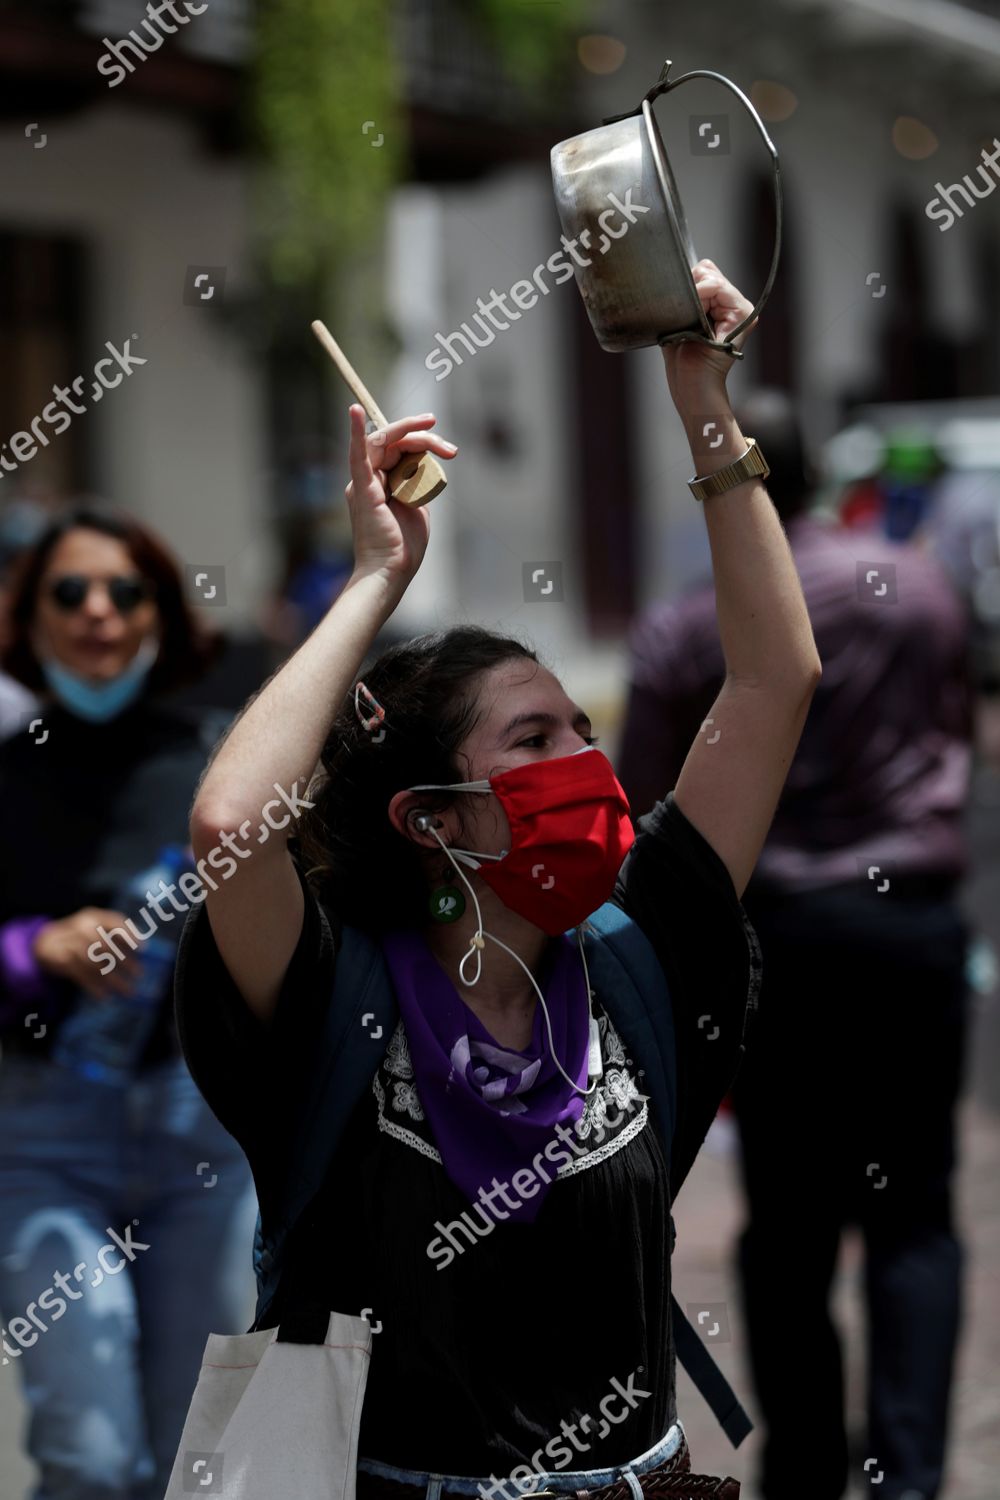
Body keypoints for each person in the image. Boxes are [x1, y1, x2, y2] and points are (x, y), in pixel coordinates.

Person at [173, 264, 821, 1496]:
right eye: (530, 742)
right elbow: (228, 827)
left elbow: (773, 679)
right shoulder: (329, 995)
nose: (584, 759)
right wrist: (377, 578)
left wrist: (701, 398)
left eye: (583, 728)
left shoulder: (637, 951)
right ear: (430, 817)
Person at [617, 389, 974, 1500]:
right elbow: (951, 729)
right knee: (915, 1213)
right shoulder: (917, 586)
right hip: (909, 930)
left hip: (774, 945)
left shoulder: (687, 626)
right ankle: (908, 1475)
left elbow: (644, 810)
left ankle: (808, 1471)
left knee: (788, 1225)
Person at [0, 505, 259, 1500]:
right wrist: (35, 946)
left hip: (202, 1140)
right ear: (30, 618)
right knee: (92, 1460)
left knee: (204, 1463)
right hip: (45, 1138)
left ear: (160, 615)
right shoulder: (7, 773)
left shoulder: (222, 761)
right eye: (70, 591)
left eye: (125, 590)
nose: (98, 611)